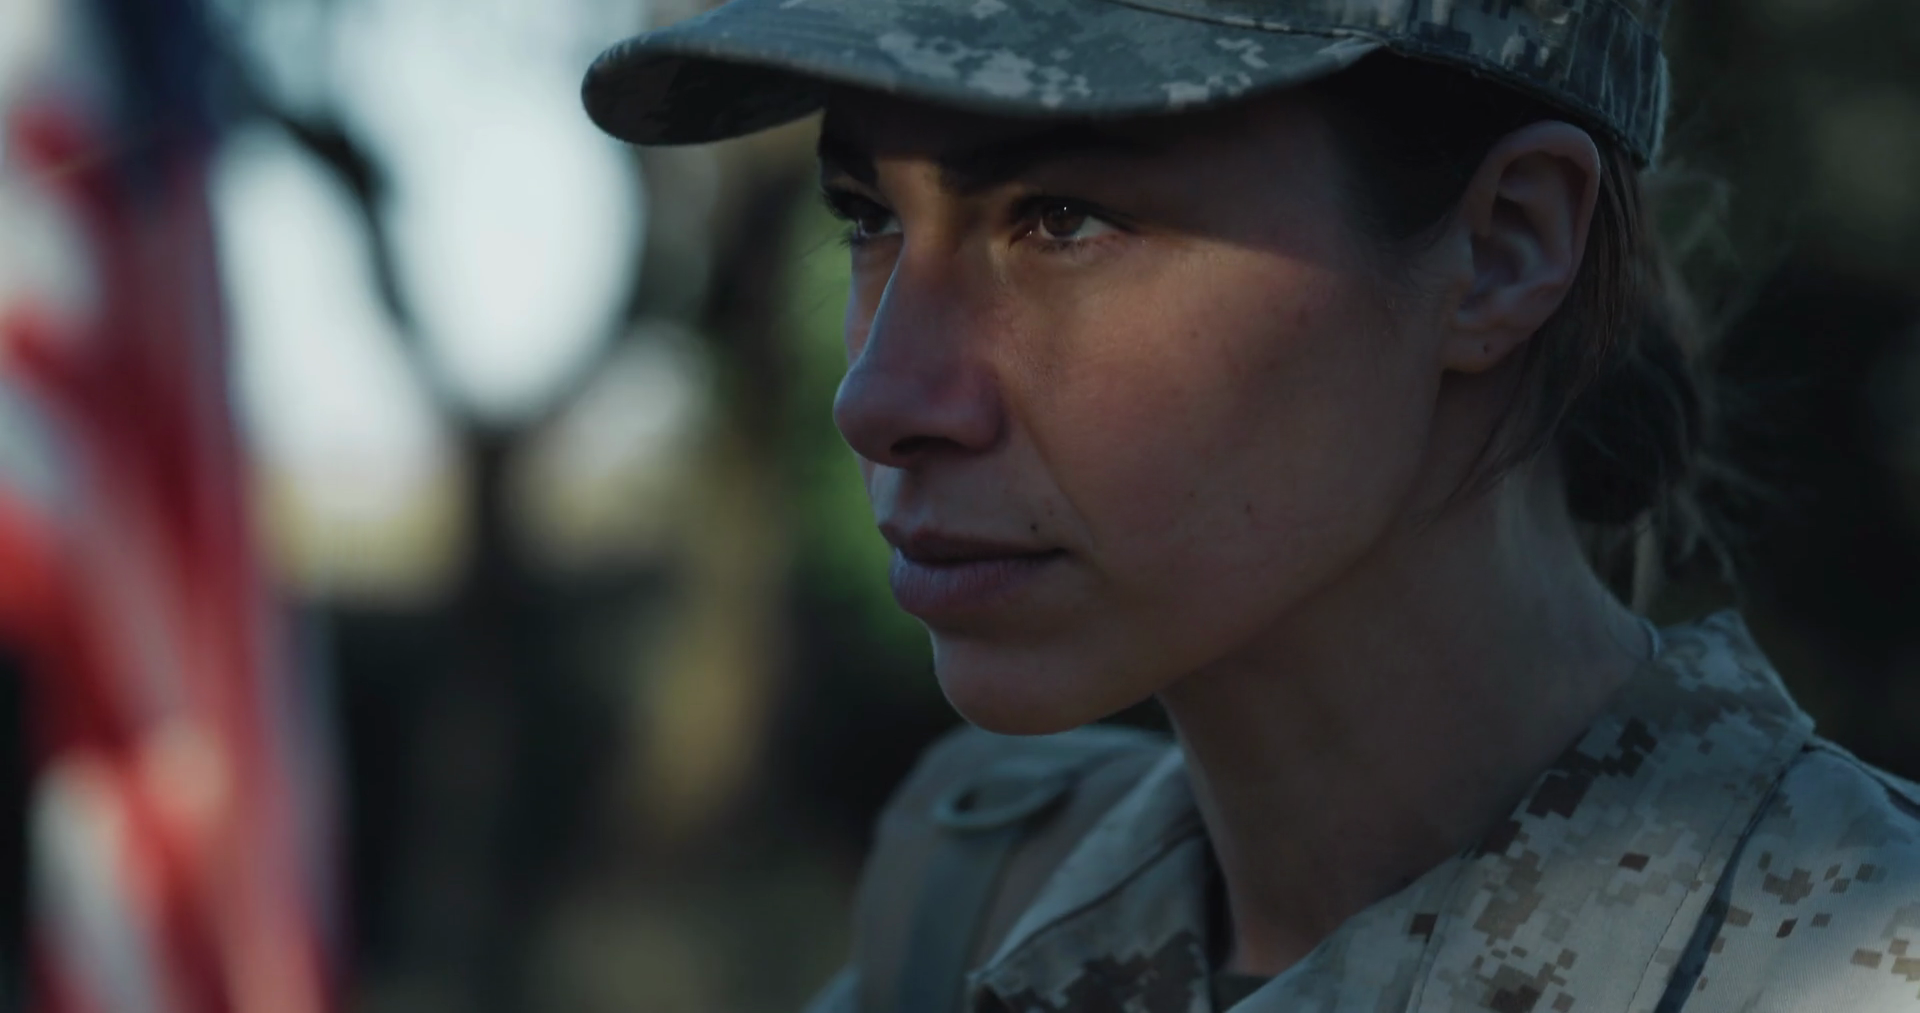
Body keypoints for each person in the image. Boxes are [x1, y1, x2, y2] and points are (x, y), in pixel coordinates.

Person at [581, 1, 1920, 1010]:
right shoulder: (965, 929)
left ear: (1505, 246)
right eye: (868, 216)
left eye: (1062, 216)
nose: (880, 398)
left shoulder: (1849, 961)